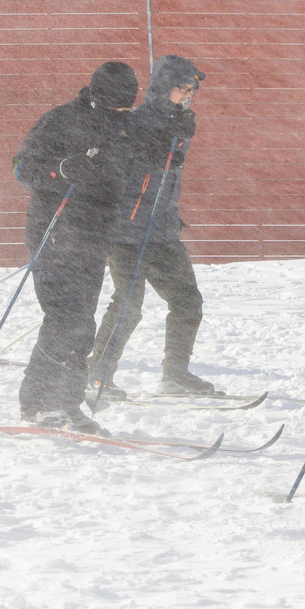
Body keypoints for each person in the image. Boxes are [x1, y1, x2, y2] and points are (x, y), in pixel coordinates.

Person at [10, 62, 142, 431]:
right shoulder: (61, 120)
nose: (121, 114)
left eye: (126, 108)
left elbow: (148, 153)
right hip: (54, 231)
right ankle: (38, 405)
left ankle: (66, 402)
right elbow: (22, 167)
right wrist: (62, 171)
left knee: (83, 324)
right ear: (98, 96)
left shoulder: (126, 126)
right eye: (115, 106)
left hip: (93, 237)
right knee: (66, 319)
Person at [87, 54, 214, 403]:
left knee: (188, 301)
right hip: (129, 231)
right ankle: (96, 376)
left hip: (162, 230)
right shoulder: (136, 122)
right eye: (180, 89)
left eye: (191, 90)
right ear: (162, 88)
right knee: (128, 305)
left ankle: (176, 374)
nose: (186, 95)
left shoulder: (183, 121)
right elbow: (125, 167)